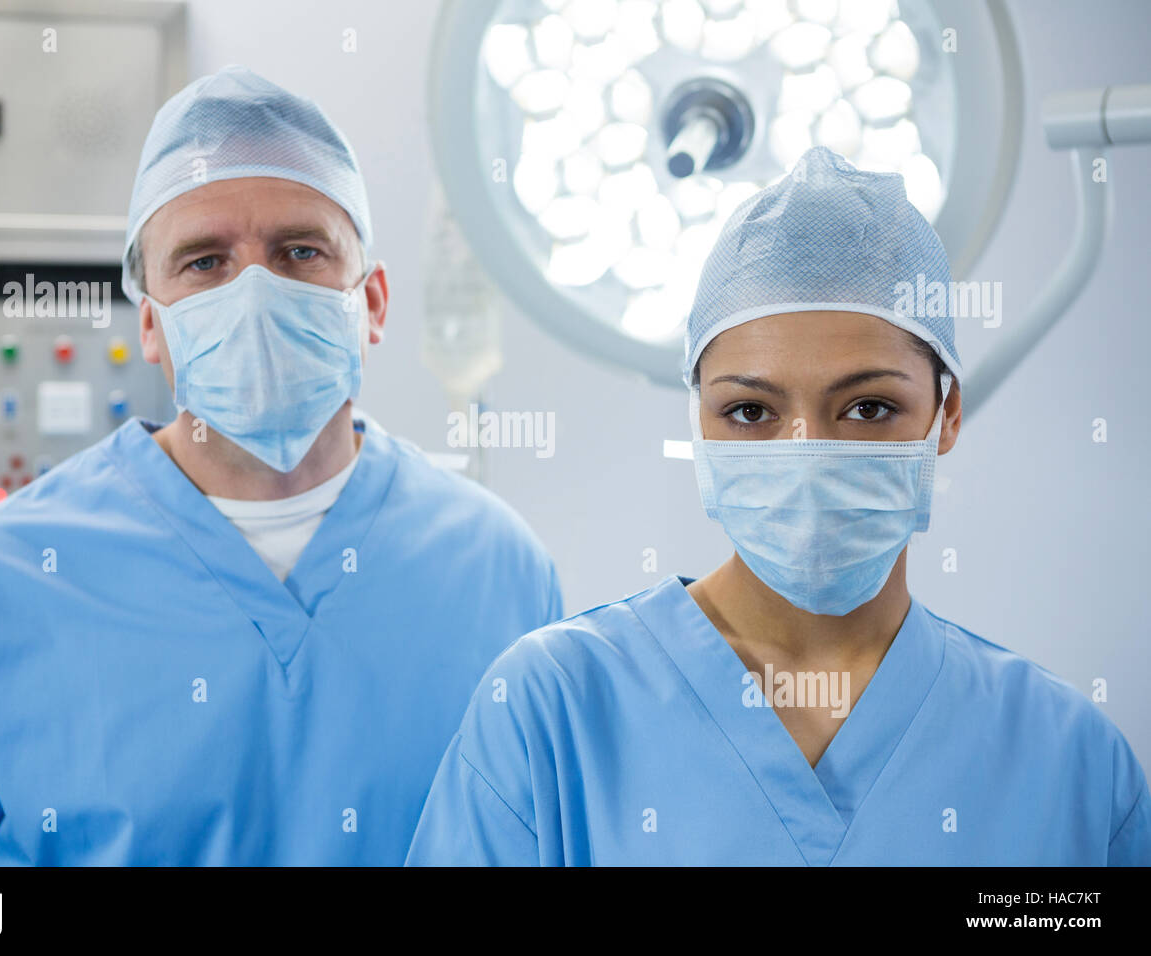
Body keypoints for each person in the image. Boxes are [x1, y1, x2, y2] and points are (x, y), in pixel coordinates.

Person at [0, 65, 562, 865]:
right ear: (150, 326)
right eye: (204, 262)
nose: (254, 290)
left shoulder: (501, 572)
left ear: (372, 301)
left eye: (300, 252)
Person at [406, 146, 1150, 866]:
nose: (806, 454)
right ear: (697, 423)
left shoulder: (1068, 761)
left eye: (866, 407)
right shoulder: (556, 711)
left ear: (945, 414)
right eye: (752, 412)